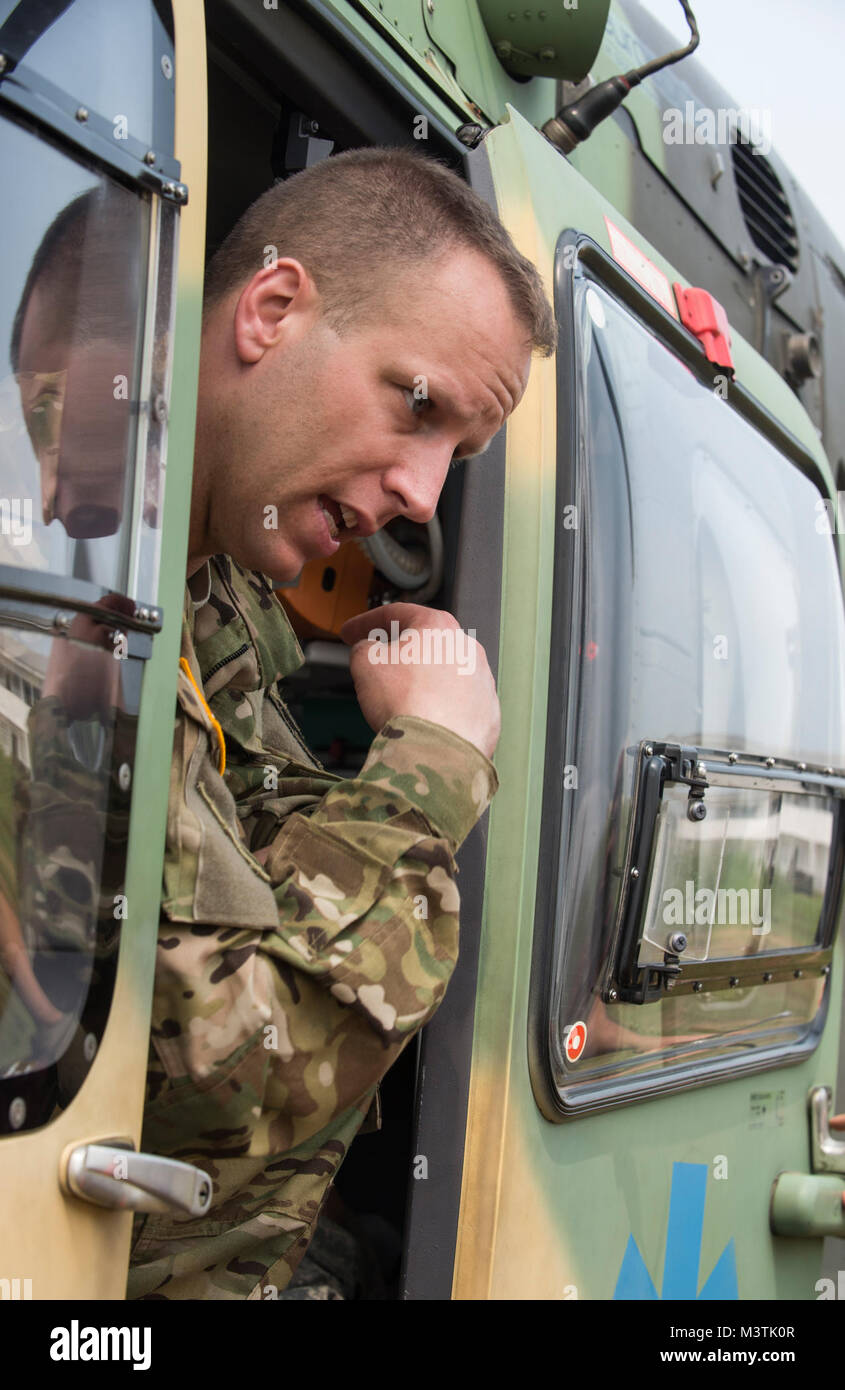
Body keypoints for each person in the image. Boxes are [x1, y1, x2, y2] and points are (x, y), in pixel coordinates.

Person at [30, 144, 555, 1299]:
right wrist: (429, 763)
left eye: (454, 453)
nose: (421, 494)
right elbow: (229, 1077)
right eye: (416, 405)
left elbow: (246, 880)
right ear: (270, 310)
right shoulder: (57, 577)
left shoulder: (199, 581)